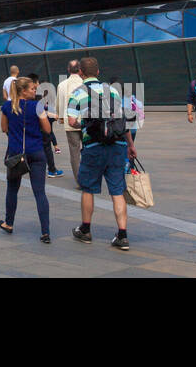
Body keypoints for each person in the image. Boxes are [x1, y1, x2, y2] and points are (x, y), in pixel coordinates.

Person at [68, 57, 136, 250]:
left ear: (80, 73)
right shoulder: (112, 91)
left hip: (93, 147)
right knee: (117, 191)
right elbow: (122, 121)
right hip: (117, 145)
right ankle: (122, 235)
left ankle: (86, 230)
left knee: (88, 189)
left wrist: (86, 124)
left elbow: (72, 121)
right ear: (98, 72)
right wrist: (130, 145)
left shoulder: (78, 92)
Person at [0, 76, 52, 242]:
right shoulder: (37, 106)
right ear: (23, 91)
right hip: (36, 152)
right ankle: (45, 232)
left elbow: (3, 128)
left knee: (12, 189)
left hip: (16, 154)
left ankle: (9, 223)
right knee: (39, 192)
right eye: (32, 89)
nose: (34, 91)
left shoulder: (8, 106)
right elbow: (47, 129)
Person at [29, 74, 64, 178]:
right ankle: (52, 170)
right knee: (47, 147)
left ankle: (32, 167)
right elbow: (42, 112)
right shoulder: (37, 96)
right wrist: (56, 116)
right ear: (35, 83)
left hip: (33, 127)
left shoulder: (28, 96)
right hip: (41, 125)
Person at [56, 60, 85, 183]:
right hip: (86, 122)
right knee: (89, 150)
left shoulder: (62, 85)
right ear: (80, 70)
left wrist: (61, 119)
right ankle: (91, 177)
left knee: (74, 153)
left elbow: (58, 105)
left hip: (70, 122)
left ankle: (79, 181)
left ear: (68, 70)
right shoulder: (85, 83)